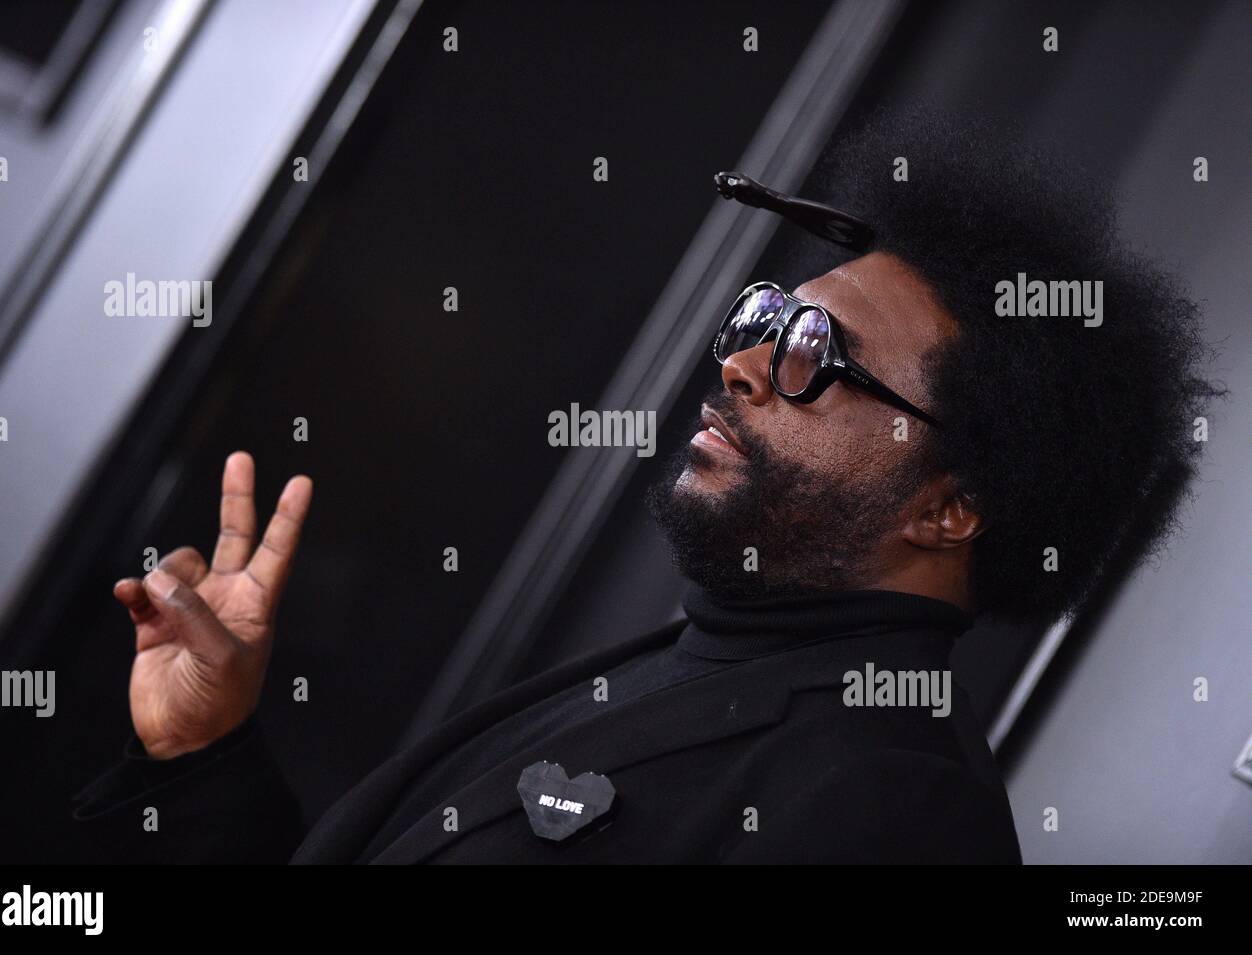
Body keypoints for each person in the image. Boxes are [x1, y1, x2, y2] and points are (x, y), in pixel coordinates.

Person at [72, 110, 1218, 863]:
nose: (743, 360)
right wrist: (202, 757)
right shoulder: (690, 659)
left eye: (815, 348)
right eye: (765, 318)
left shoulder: (897, 815)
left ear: (947, 508)